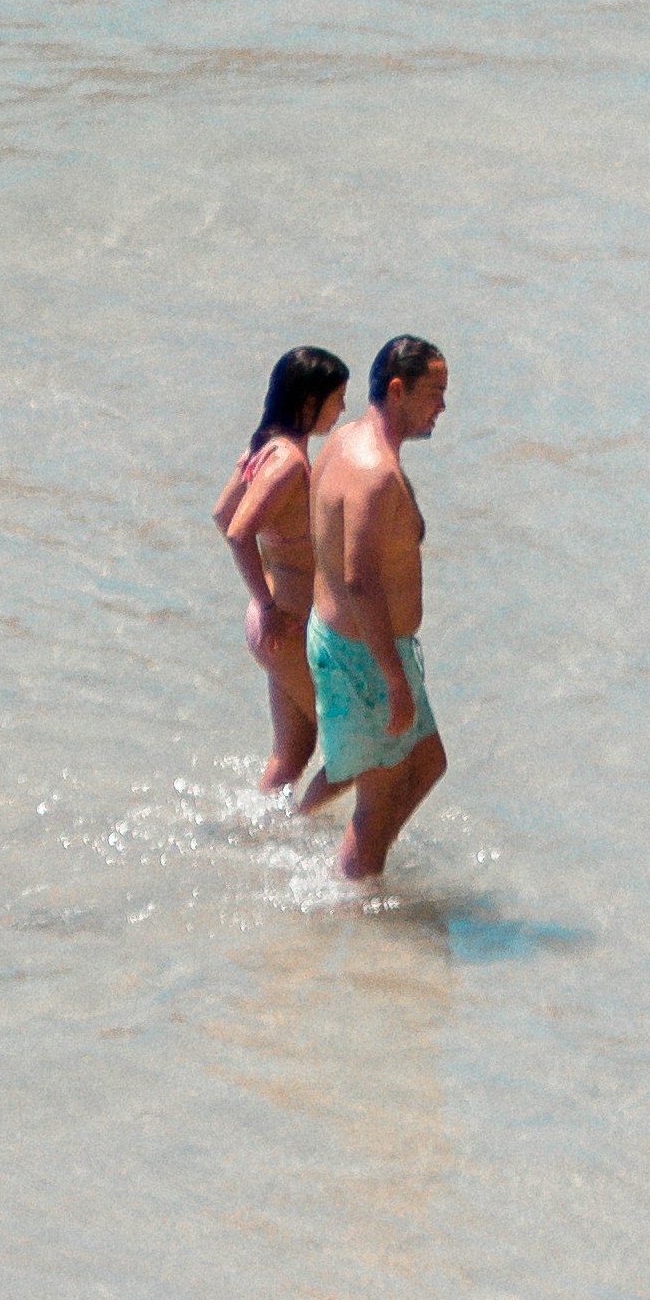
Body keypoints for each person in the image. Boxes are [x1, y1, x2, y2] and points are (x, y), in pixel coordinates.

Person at [304, 333, 451, 886]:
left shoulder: (343, 441)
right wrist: (393, 678)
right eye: (434, 391)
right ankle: (352, 903)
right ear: (398, 389)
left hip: (356, 645)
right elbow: (359, 578)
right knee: (377, 801)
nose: (443, 405)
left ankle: (338, 859)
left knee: (428, 761)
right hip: (366, 655)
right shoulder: (375, 473)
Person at [213, 347, 348, 791]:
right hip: (284, 625)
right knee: (355, 747)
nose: (343, 409)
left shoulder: (265, 449)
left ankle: (261, 837)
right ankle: (323, 845)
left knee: (293, 753)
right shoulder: (288, 460)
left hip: (277, 622)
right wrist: (267, 604)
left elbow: (220, 513)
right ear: (309, 402)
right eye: (337, 398)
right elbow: (236, 531)